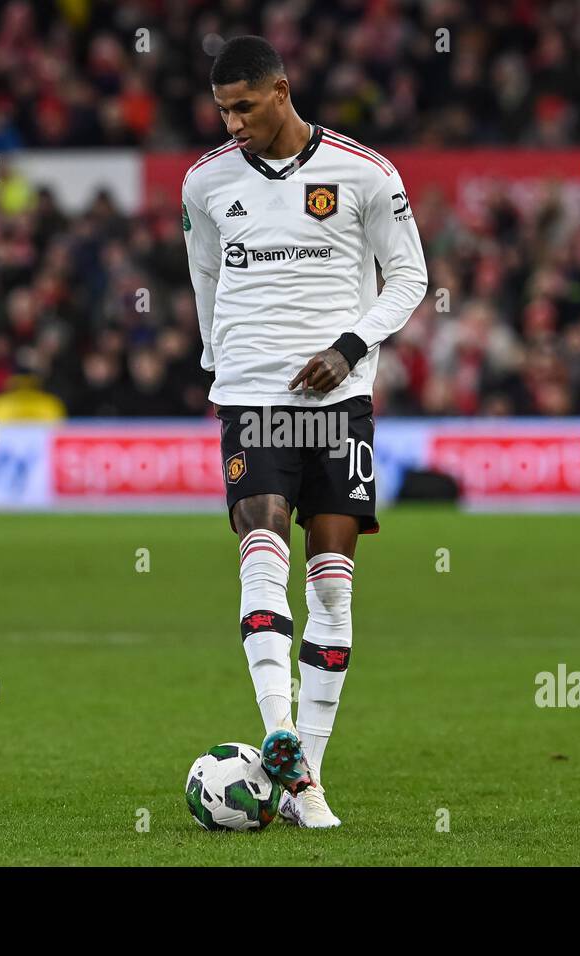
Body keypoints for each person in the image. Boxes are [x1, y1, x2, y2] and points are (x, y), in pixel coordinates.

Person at [181, 36, 427, 827]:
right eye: (223, 110)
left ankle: (305, 777)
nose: (233, 123)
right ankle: (279, 731)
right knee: (262, 544)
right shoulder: (205, 183)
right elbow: (206, 280)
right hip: (251, 398)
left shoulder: (364, 172)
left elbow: (413, 278)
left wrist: (351, 347)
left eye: (245, 107)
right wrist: (219, 363)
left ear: (282, 92)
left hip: (341, 403)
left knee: (330, 584)